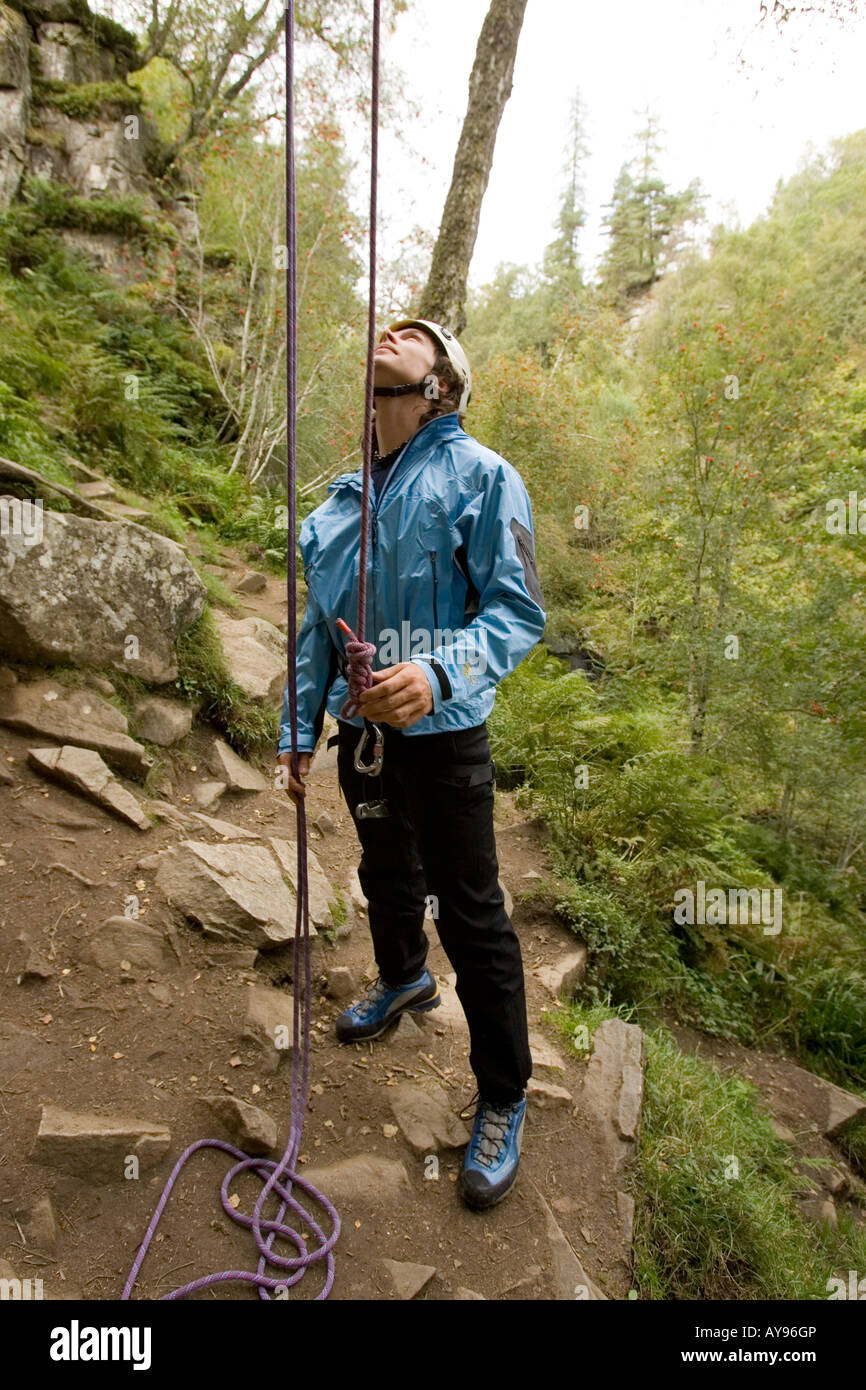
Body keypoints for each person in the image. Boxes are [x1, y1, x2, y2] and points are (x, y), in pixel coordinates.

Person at [277, 319, 546, 1210]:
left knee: (473, 912)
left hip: (448, 737)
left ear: (441, 386)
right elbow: (317, 629)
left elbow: (516, 613)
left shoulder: (483, 477)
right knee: (384, 868)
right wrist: (296, 729)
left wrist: (436, 672)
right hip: (366, 740)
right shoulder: (337, 504)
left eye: (418, 334)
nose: (394, 329)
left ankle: (504, 1096)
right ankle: (402, 978)